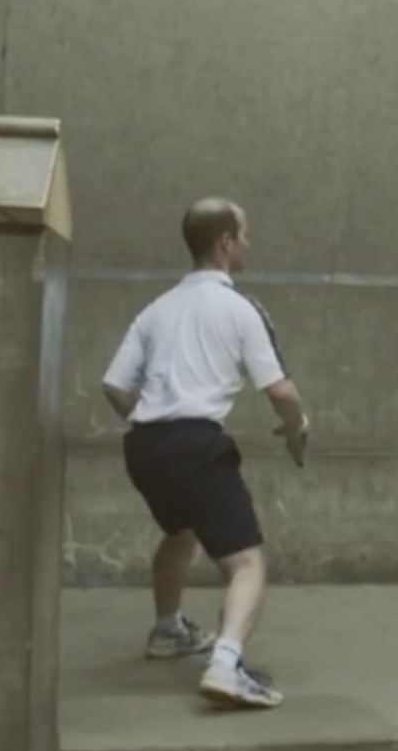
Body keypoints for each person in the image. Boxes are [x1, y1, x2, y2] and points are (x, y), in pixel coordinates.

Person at [102, 197, 310, 710]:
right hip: (195, 445)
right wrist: (298, 428)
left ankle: (169, 629)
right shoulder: (239, 309)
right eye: (245, 235)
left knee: (181, 531)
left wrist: (153, 421)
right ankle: (226, 665)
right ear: (225, 243)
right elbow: (280, 392)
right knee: (246, 565)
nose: (248, 244)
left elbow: (112, 385)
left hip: (144, 447)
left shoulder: (156, 309)